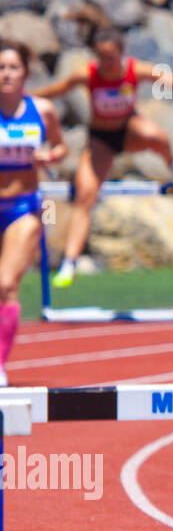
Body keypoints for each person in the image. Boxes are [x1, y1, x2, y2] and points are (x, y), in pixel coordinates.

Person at [31, 14, 173, 287]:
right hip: (101, 139)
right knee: (85, 196)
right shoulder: (88, 75)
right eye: (102, 57)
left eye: (111, 57)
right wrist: (21, 100)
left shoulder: (136, 70)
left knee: (155, 134)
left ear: (121, 54)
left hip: (129, 130)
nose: (107, 64)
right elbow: (55, 90)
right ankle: (69, 264)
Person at [0, 41, 68, 385]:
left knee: (6, 284)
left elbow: (61, 146)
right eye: (1, 68)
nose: (6, 74)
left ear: (25, 72)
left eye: (13, 67)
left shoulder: (41, 110)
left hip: (22, 207)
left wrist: (50, 157)